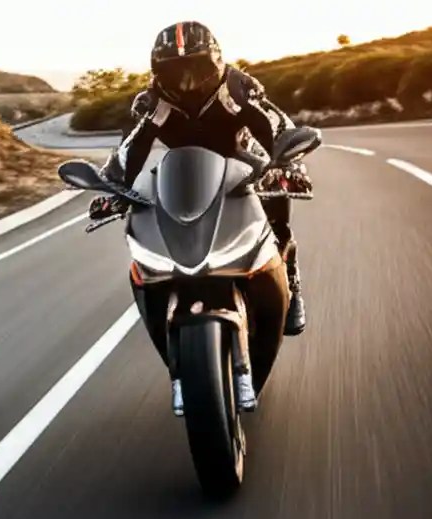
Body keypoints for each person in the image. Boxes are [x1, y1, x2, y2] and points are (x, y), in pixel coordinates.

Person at [96, 21, 312, 335]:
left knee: (277, 203)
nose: (186, 80)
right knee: (152, 207)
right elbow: (132, 148)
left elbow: (275, 124)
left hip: (243, 160)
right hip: (186, 172)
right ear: (159, 72)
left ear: (215, 61)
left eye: (196, 67)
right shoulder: (153, 101)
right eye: (175, 71)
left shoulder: (237, 87)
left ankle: (290, 276)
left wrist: (285, 163)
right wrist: (115, 187)